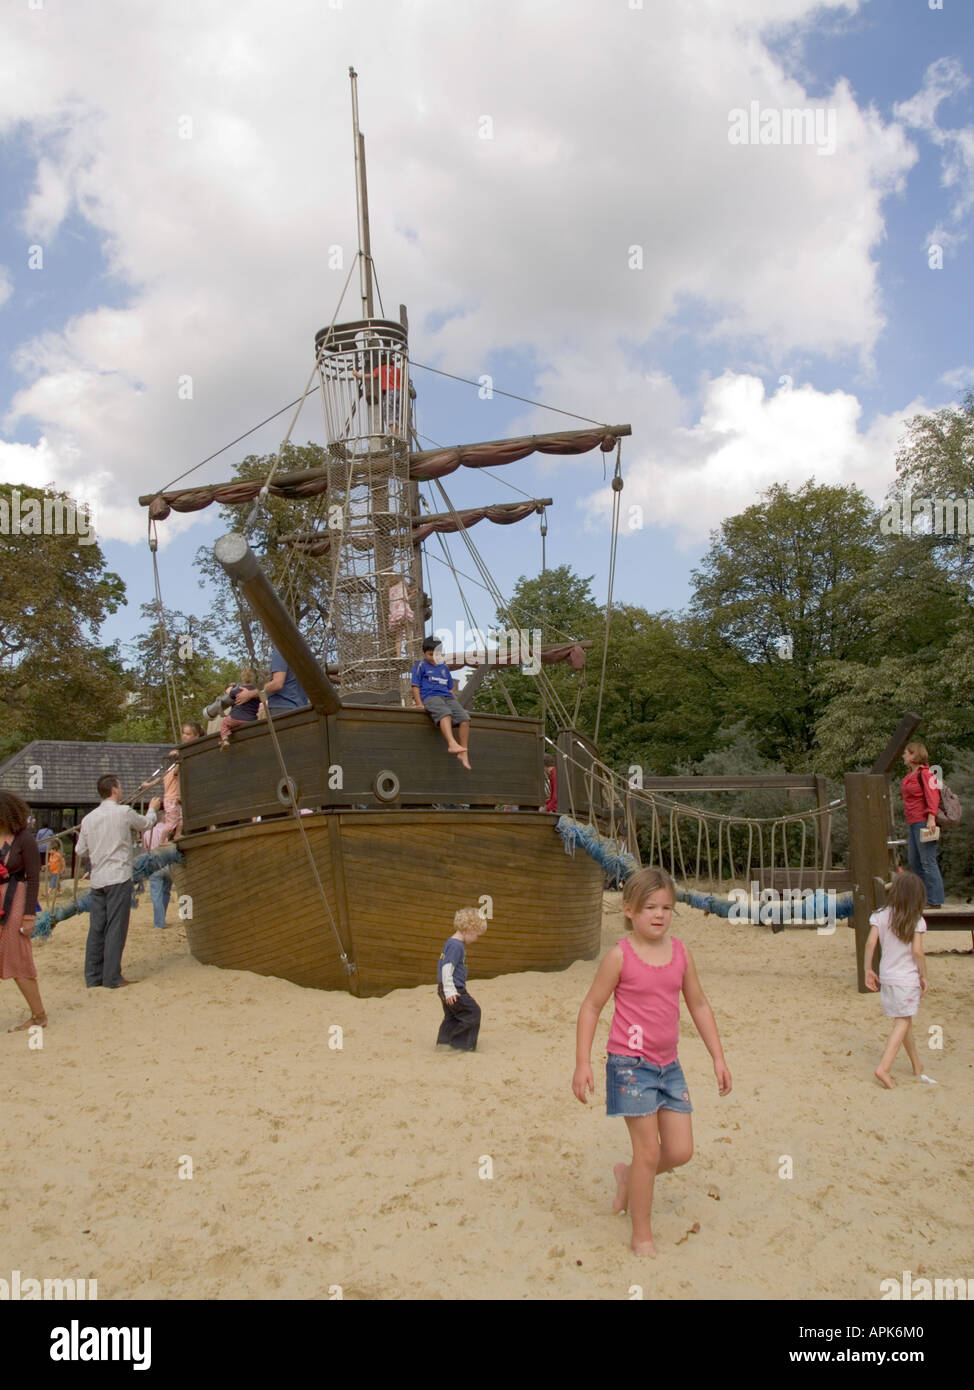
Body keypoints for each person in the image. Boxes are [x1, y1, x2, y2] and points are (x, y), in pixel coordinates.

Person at [572, 866, 732, 1256]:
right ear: (628, 910)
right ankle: (641, 1234)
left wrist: (718, 1056)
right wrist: (583, 1063)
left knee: (679, 1151)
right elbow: (591, 1007)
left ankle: (628, 1178)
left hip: (669, 1066)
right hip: (629, 1066)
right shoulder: (620, 956)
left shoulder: (681, 953)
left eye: (666, 908)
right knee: (647, 1152)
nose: (659, 915)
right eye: (649, 908)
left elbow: (698, 1003)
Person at [76, 776, 161, 988]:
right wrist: (152, 808)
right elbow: (147, 824)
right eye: (120, 786)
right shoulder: (123, 812)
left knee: (96, 928)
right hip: (118, 876)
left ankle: (93, 976)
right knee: (116, 927)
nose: (121, 789)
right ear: (114, 789)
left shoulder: (88, 819)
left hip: (98, 879)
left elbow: (80, 850)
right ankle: (112, 977)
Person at [864, 870, 935, 1089]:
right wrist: (924, 975)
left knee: (904, 1020)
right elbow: (918, 952)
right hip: (906, 979)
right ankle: (884, 1068)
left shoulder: (880, 914)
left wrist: (868, 969)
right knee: (903, 1020)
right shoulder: (916, 920)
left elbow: (870, 944)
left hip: (887, 977)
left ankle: (916, 1064)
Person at [140, 723, 202, 928]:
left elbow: (178, 770)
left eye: (187, 733)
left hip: (157, 858)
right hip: (166, 857)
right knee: (168, 889)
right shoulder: (172, 769)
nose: (184, 736)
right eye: (183, 733)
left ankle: (160, 922)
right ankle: (168, 920)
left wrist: (177, 757)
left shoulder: (150, 827)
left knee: (160, 890)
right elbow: (167, 775)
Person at [0, 791, 47, 1031]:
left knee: (18, 958)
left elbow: (33, 879)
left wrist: (29, 916)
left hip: (16, 899)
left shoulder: (24, 839)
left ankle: (39, 1015)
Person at [411, 636, 471, 770]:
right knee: (445, 713)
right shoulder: (420, 666)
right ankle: (451, 743)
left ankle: (464, 752)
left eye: (436, 654)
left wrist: (457, 705)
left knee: (465, 719)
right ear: (424, 653)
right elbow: (415, 685)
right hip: (431, 697)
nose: (433, 657)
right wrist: (419, 703)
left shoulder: (444, 668)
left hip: (447, 697)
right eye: (429, 654)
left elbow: (450, 688)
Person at [900, 742, 944, 909]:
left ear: (914, 755)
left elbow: (933, 796)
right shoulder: (909, 776)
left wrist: (931, 818)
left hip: (923, 821)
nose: (904, 756)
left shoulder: (926, 774)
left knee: (927, 860)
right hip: (912, 822)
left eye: (906, 753)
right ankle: (923, 897)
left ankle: (935, 899)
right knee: (914, 860)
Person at [436, 907, 487, 1051]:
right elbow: (447, 967)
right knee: (472, 1012)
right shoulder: (456, 946)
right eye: (476, 934)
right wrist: (450, 990)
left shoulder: (451, 942)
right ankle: (461, 1046)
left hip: (446, 987)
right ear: (468, 929)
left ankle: (444, 1043)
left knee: (452, 1016)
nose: (476, 938)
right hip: (453, 989)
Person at [219, 669, 261, 749]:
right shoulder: (255, 693)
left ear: (242, 678)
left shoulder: (237, 690)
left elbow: (228, 693)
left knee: (224, 723)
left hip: (235, 718)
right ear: (254, 678)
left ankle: (225, 740)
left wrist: (233, 686)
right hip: (251, 719)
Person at [263, 648, 309, 715]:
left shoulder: (281, 650)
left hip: (281, 708)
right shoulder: (302, 654)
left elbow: (277, 684)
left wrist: (251, 693)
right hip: (301, 709)